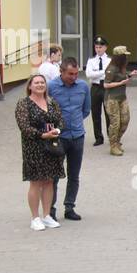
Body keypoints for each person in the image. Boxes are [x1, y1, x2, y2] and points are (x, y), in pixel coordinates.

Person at [14, 73, 64, 232]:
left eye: (42, 82)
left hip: (52, 147)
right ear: (30, 86)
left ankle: (47, 215)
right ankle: (35, 218)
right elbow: (24, 126)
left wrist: (57, 130)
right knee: (36, 182)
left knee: (49, 181)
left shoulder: (52, 102)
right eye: (36, 83)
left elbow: (61, 120)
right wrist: (42, 135)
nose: (40, 85)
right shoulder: (24, 104)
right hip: (33, 148)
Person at [46, 59, 90, 222]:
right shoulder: (51, 87)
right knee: (54, 175)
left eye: (76, 73)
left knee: (74, 175)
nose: (74, 77)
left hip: (77, 136)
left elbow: (86, 110)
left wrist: (76, 122)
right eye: (70, 74)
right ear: (61, 72)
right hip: (59, 138)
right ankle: (50, 209)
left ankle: (69, 207)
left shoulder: (83, 86)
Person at [102, 47, 134, 156]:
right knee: (115, 123)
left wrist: (130, 75)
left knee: (125, 119)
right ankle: (113, 145)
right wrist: (121, 83)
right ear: (119, 57)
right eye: (124, 55)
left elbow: (121, 77)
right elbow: (106, 85)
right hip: (112, 99)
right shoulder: (111, 68)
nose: (126, 57)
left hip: (122, 97)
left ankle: (117, 141)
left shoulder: (121, 67)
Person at [85, 37, 110, 146]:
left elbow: (109, 74)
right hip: (95, 87)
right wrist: (102, 71)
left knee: (108, 112)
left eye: (100, 47)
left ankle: (111, 136)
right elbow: (89, 74)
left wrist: (97, 73)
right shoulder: (91, 60)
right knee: (95, 113)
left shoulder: (110, 60)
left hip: (106, 87)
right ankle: (98, 137)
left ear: (105, 47)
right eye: (96, 47)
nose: (98, 49)